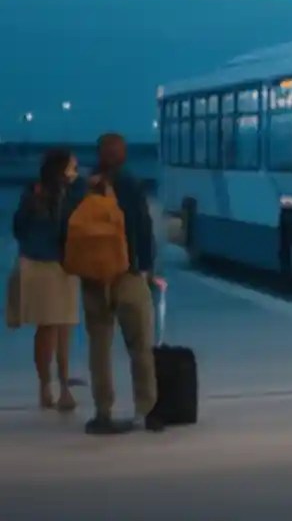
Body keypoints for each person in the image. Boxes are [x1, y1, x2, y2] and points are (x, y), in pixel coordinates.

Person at [68, 133, 165, 434]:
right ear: (122, 155)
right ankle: (147, 410)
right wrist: (146, 266)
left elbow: (67, 227)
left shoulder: (83, 188)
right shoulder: (131, 183)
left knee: (99, 347)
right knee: (140, 346)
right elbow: (143, 225)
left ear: (99, 154)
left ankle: (103, 412)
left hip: (94, 278)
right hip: (128, 274)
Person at [11, 149, 81, 411]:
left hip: (34, 265)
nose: (76, 172)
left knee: (46, 330)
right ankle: (63, 388)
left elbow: (18, 228)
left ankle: (45, 387)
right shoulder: (68, 195)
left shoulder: (32, 193)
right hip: (60, 266)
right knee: (63, 330)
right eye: (73, 167)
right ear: (61, 171)